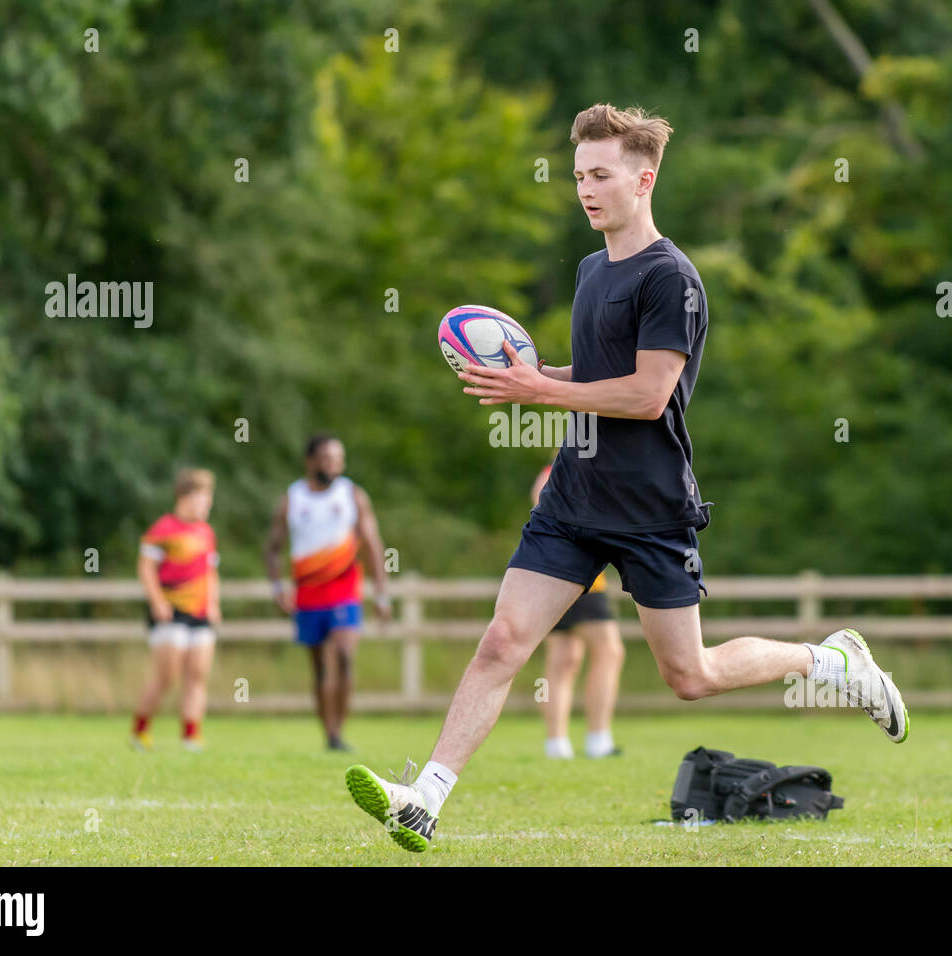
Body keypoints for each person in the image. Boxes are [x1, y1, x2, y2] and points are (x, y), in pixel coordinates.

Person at [345, 103, 909, 853]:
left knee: (691, 676)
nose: (586, 188)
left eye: (601, 175)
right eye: (579, 175)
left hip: (648, 508)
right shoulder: (589, 269)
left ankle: (830, 660)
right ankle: (425, 797)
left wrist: (542, 394)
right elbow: (601, 374)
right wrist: (539, 373)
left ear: (644, 180)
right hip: (574, 502)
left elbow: (647, 395)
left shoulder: (671, 279)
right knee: (503, 641)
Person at [265, 433, 392, 751]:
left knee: (346, 656)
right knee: (321, 666)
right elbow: (272, 548)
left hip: (345, 591)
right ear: (310, 461)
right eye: (327, 458)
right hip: (308, 595)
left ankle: (339, 730)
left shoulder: (352, 495)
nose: (334, 465)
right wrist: (278, 586)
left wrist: (381, 594)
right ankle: (330, 734)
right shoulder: (292, 500)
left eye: (338, 458)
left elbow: (373, 545)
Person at [530, 461, 624, 759]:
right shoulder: (567, 472)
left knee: (564, 658)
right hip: (579, 577)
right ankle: (598, 739)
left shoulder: (560, 473)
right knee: (609, 651)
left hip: (551, 573)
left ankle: (556, 744)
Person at [131, 468, 221, 752]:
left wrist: (214, 604)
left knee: (197, 675)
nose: (207, 504)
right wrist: (157, 602)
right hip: (170, 612)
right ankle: (141, 730)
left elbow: (210, 572)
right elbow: (145, 568)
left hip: (200, 613)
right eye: (203, 498)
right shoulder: (163, 530)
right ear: (185, 497)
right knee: (166, 677)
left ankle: (191, 735)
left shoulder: (206, 533)